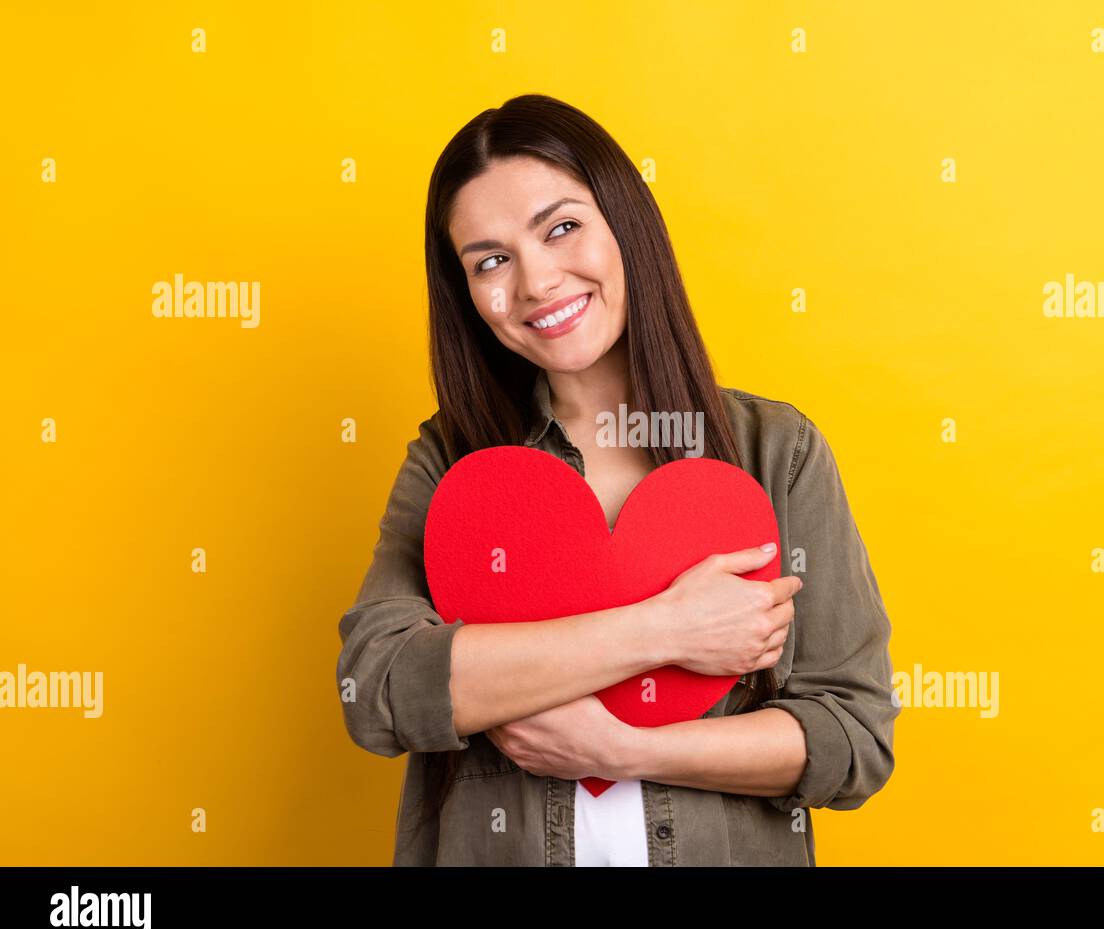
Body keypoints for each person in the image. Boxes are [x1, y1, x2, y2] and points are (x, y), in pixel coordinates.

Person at [336, 93, 899, 866]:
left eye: (561, 227)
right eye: (490, 260)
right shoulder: (453, 464)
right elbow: (378, 693)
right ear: (465, 293)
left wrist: (628, 748)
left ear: (625, 226)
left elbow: (851, 738)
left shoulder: (776, 452)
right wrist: (667, 629)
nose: (535, 282)